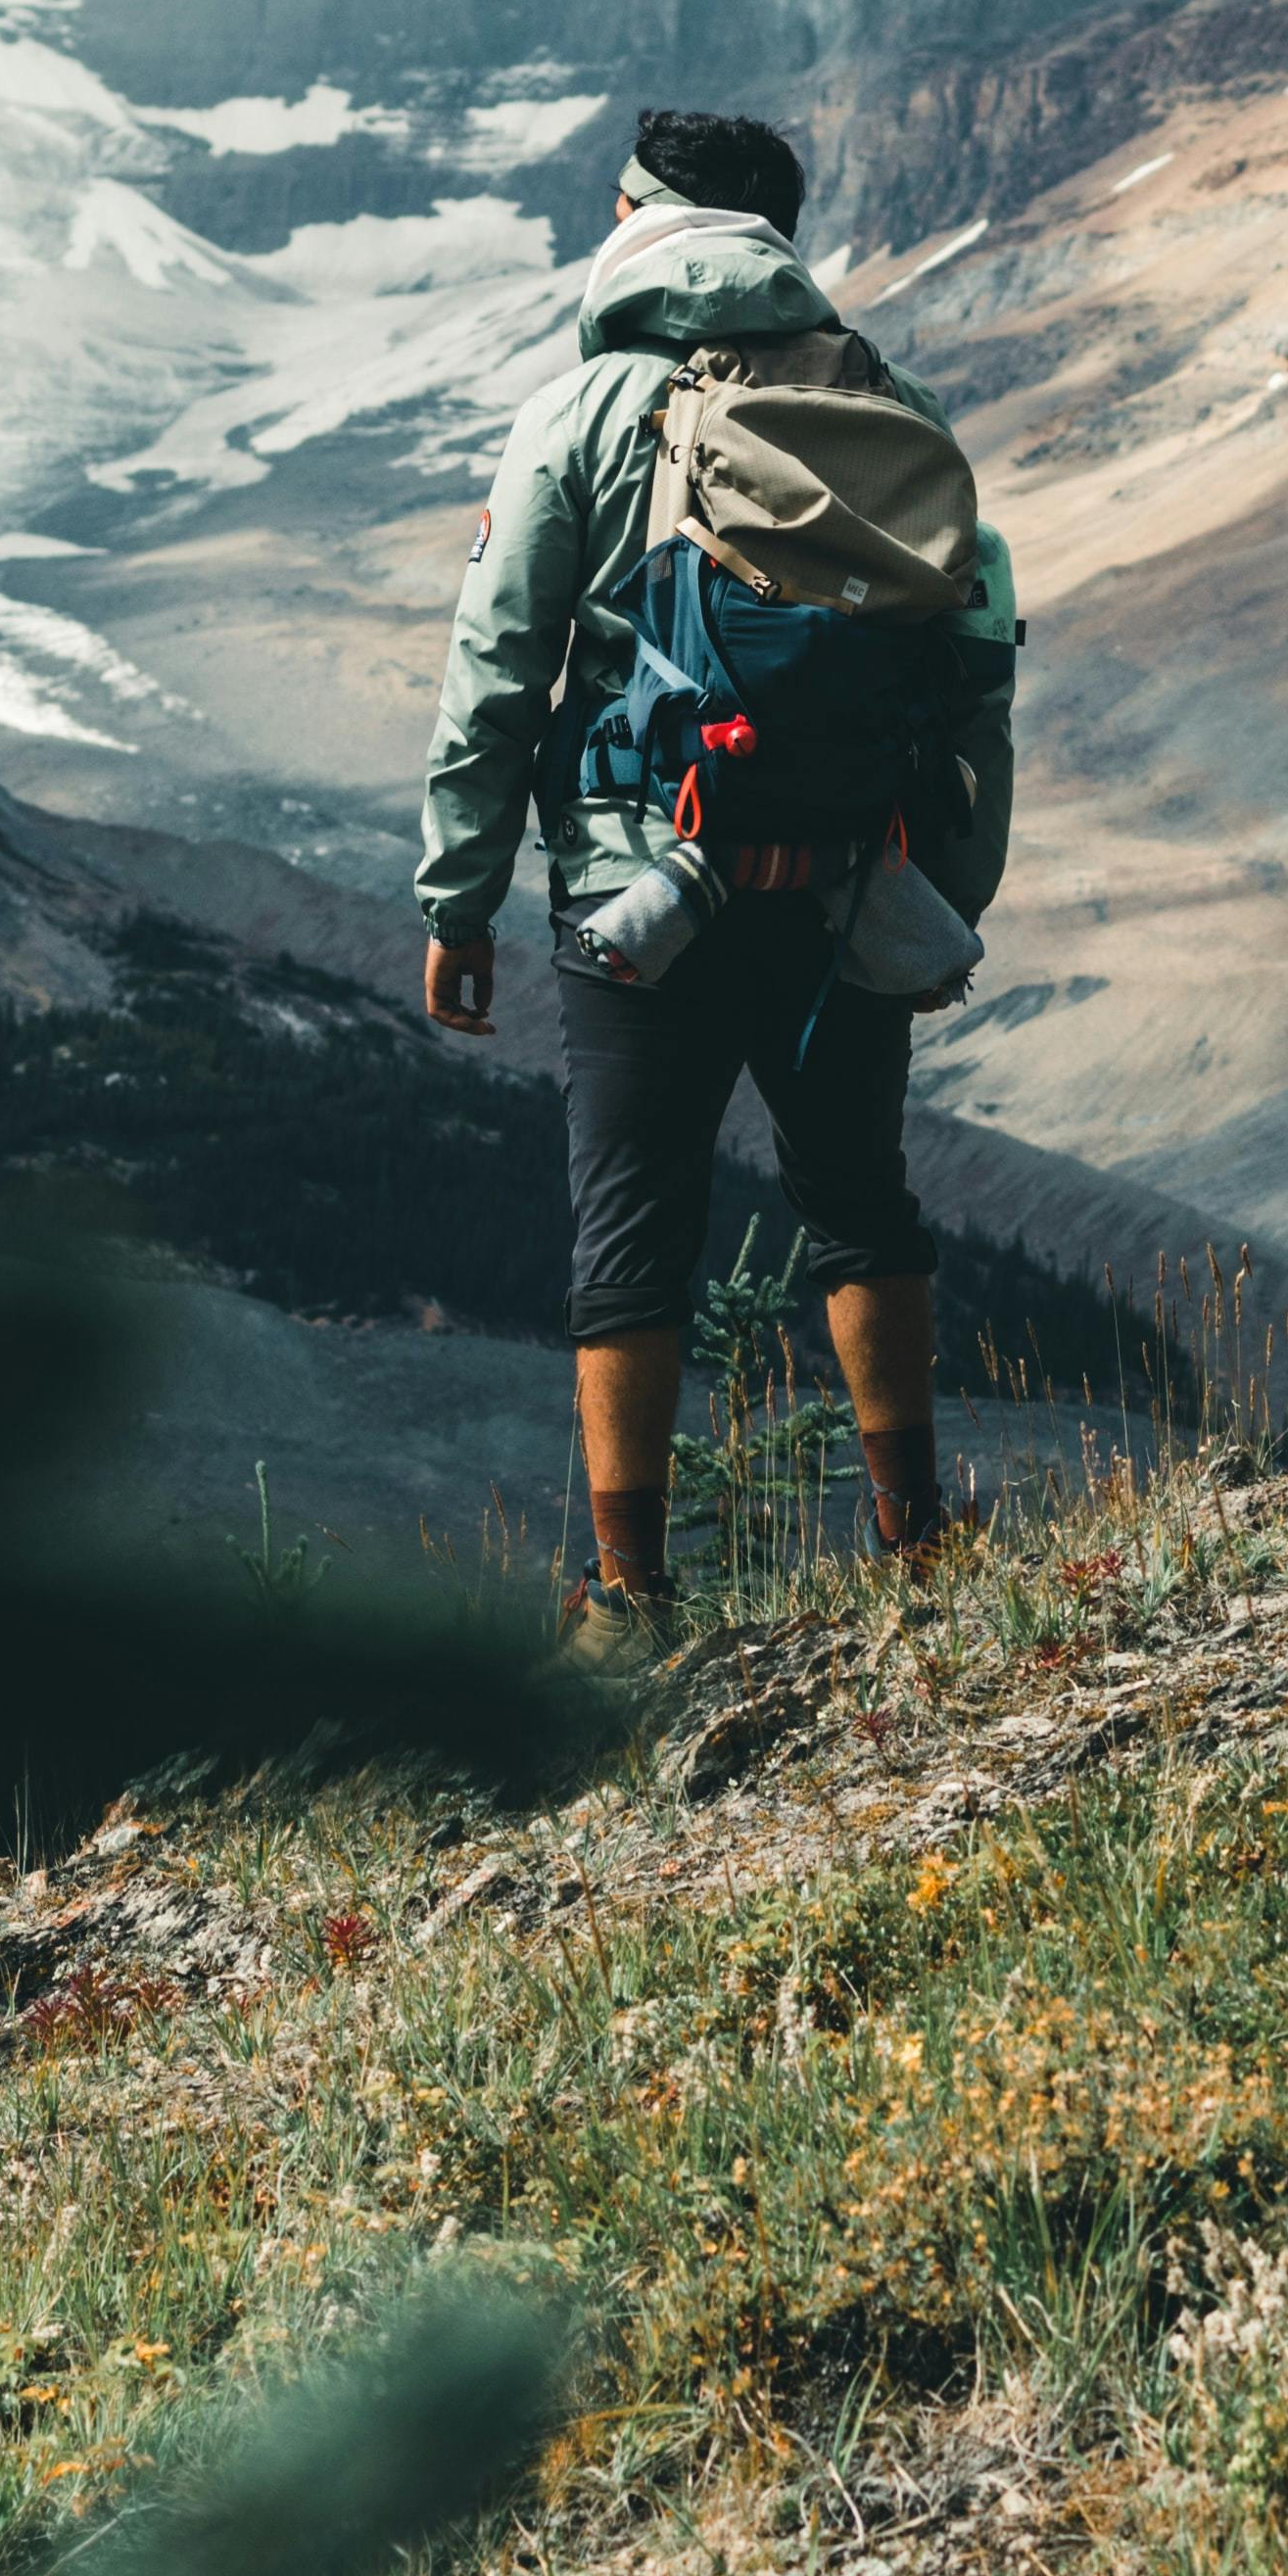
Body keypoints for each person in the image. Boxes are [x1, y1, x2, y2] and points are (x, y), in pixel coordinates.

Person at [417, 108, 1017, 1628]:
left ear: (640, 216)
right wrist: (942, 895)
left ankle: (629, 1592)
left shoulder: (588, 408)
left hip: (636, 889)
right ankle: (921, 1545)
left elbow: (496, 665)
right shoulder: (892, 400)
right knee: (861, 1205)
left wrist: (459, 895)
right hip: (842, 883)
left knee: (633, 1228)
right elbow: (974, 673)